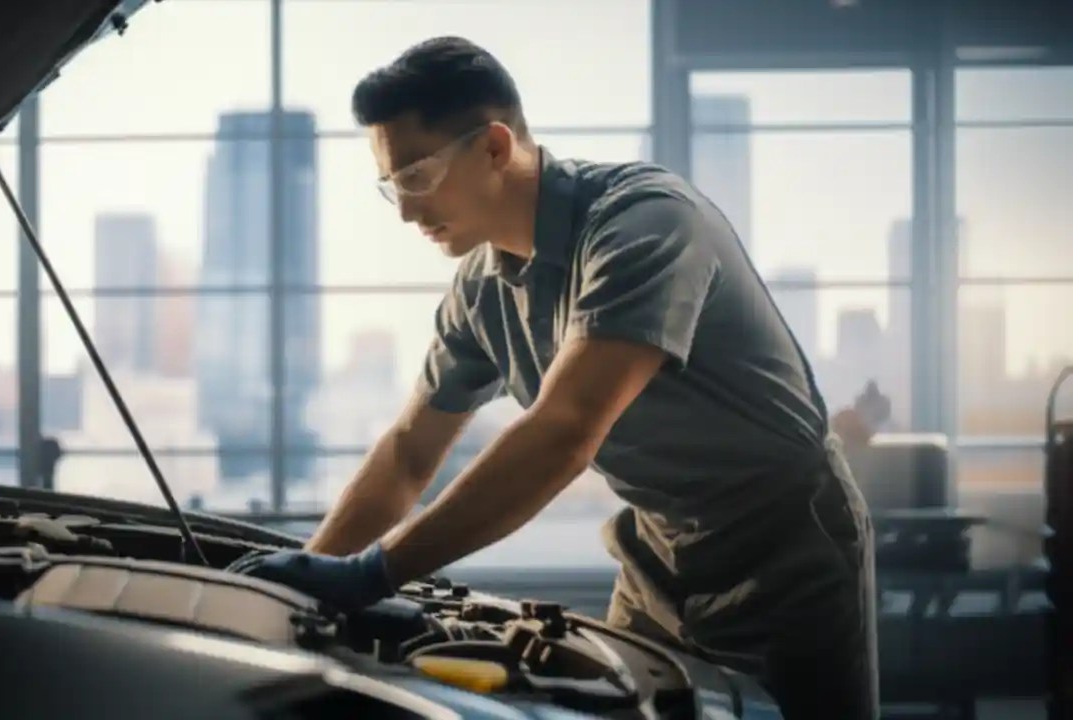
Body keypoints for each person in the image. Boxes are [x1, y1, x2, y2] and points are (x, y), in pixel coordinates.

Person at [228, 36, 878, 720]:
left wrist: (373, 573)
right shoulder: (479, 291)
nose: (406, 211)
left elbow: (564, 432)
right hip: (659, 553)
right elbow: (410, 452)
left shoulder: (645, 225)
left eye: (416, 177)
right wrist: (304, 579)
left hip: (786, 547)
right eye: (392, 185)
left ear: (495, 147)